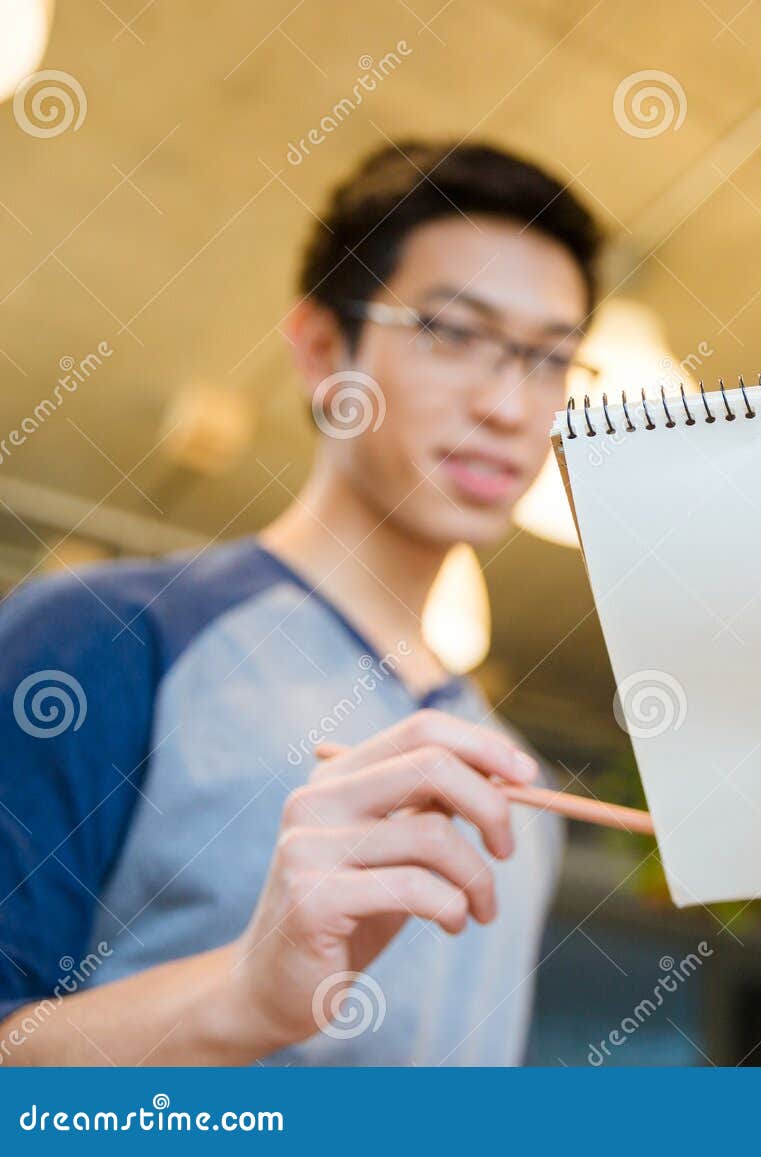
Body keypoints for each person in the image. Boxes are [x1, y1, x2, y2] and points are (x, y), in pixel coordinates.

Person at [0, 140, 600, 1065]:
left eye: (551, 360)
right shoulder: (99, 637)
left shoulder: (516, 777)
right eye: (451, 333)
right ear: (325, 350)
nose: (510, 405)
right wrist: (244, 995)